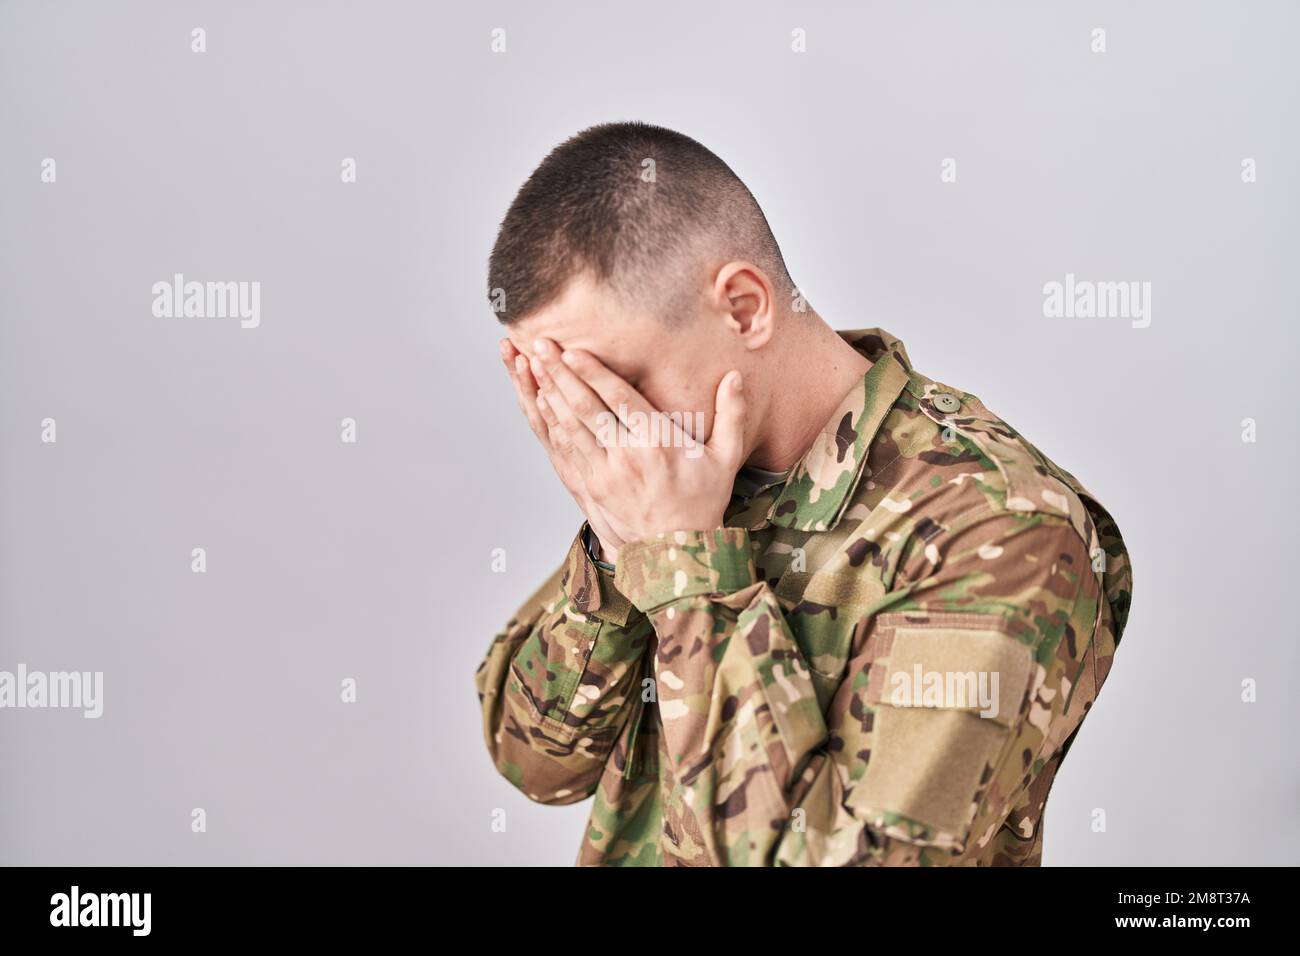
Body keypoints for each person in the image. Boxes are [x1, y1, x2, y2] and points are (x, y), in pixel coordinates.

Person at [473, 121, 1133, 866]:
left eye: (613, 384)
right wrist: (618, 542)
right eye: (560, 388)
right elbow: (535, 761)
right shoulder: (684, 481)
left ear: (746, 308)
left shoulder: (1000, 529)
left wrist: (688, 573)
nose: (595, 424)